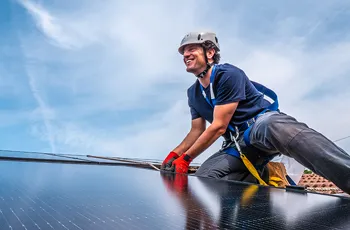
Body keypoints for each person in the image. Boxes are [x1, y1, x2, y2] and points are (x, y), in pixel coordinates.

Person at [161, 31, 350, 194]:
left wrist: (186, 158)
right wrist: (174, 155)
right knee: (206, 175)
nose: (186, 54)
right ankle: (256, 202)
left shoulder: (227, 74)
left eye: (192, 49)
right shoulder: (193, 94)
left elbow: (219, 126)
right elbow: (196, 130)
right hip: (237, 144)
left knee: (275, 126)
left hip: (259, 127)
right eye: (184, 51)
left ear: (210, 53)